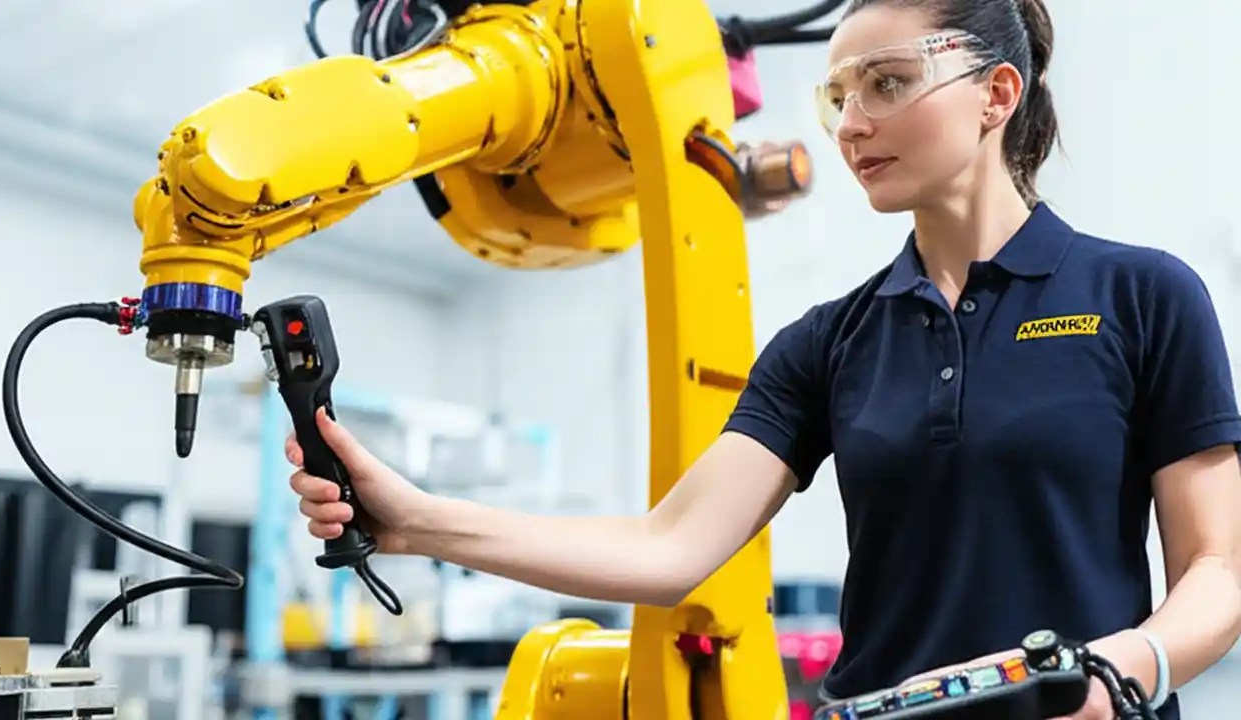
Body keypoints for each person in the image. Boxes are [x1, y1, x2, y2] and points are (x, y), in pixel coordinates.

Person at [285, 0, 1241, 717]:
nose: (850, 123)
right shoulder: (829, 342)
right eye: (838, 95)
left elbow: (1218, 574)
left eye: (888, 83)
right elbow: (670, 550)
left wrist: (1123, 672)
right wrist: (414, 520)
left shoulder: (1144, 298)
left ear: (998, 91)